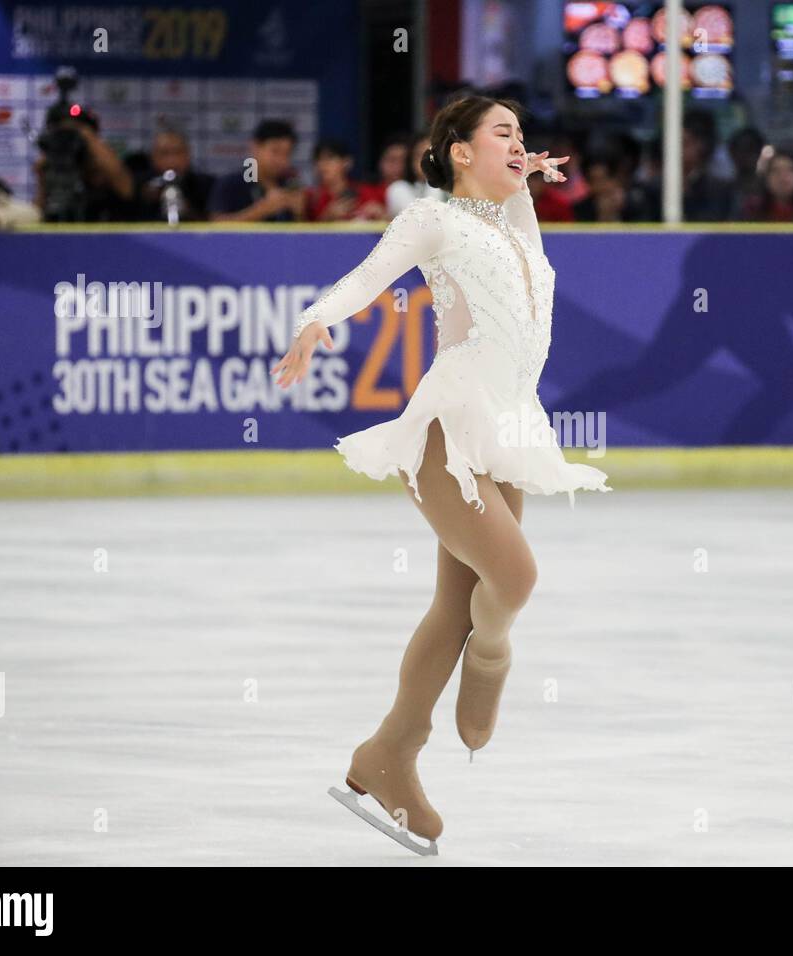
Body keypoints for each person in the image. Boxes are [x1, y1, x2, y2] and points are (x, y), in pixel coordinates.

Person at [271, 94, 611, 854]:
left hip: (509, 425)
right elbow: (367, 275)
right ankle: (489, 659)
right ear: (460, 151)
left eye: (524, 133)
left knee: (454, 606)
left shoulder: (517, 221)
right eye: (503, 133)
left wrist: (523, 178)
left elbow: (521, 238)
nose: (519, 143)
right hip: (444, 429)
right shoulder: (435, 219)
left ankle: (388, 755)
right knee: (514, 582)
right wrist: (316, 321)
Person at [208, 119, 304, 223]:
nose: (281, 160)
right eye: (275, 151)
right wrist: (261, 210)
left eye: (287, 154)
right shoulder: (231, 183)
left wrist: (300, 214)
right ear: (255, 147)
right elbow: (215, 227)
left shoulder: (290, 185)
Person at [127, 128, 216, 222]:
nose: (172, 161)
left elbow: (213, 225)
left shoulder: (207, 185)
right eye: (165, 153)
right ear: (153, 156)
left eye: (178, 152)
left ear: (188, 154)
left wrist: (187, 210)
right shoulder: (139, 185)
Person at [740, 148, 793, 222]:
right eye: (775, 170)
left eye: (790, 170)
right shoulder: (751, 210)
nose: (783, 177)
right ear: (766, 178)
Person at [304, 139, 383, 222]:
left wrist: (382, 215)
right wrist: (327, 217)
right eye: (318, 159)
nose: (322, 164)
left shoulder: (366, 192)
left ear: (347, 162)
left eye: (330, 158)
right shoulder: (310, 198)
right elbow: (300, 232)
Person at [384, 132, 447, 217]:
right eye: (420, 155)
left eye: (433, 156)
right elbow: (425, 218)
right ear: (411, 160)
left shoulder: (452, 189)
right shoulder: (397, 188)